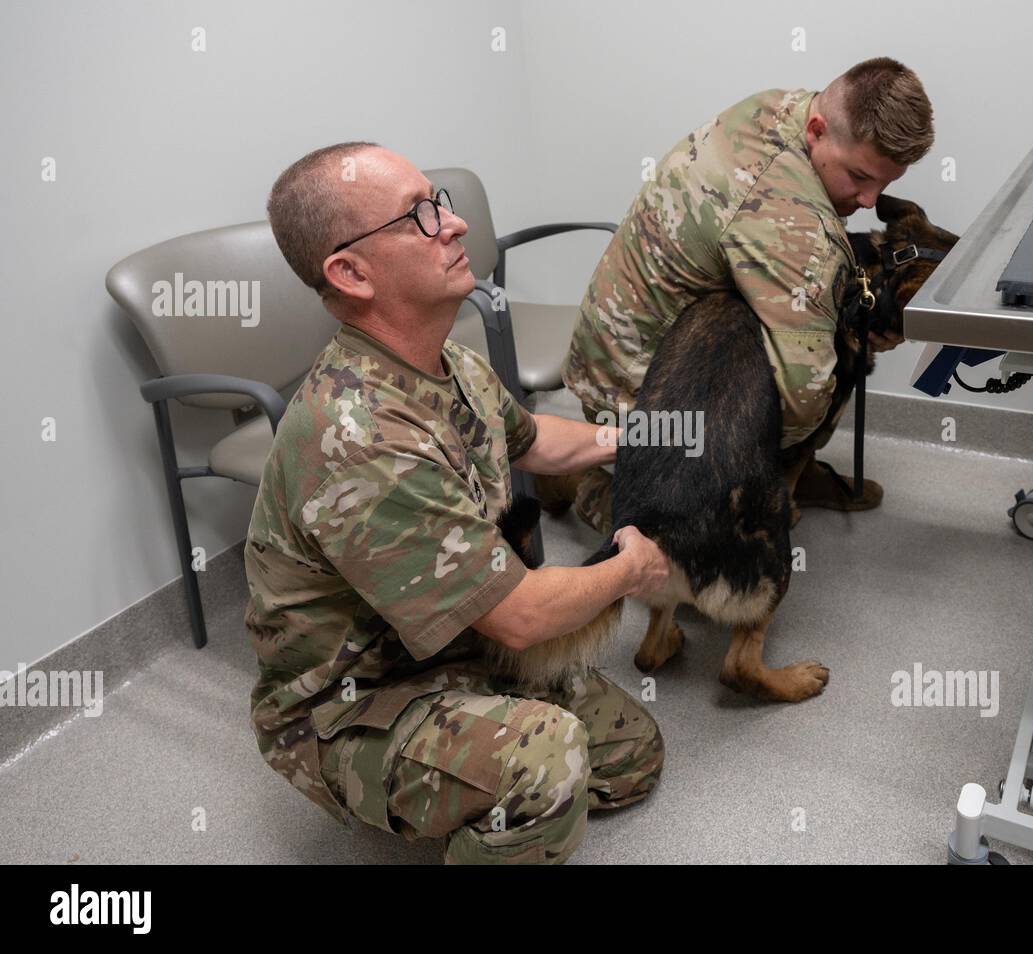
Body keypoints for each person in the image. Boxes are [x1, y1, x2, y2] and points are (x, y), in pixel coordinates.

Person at [244, 142, 669, 864]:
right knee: (548, 762)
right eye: (418, 215)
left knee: (631, 756)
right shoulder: (358, 434)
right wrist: (632, 569)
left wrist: (636, 437)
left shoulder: (450, 363)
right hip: (357, 698)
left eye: (438, 201)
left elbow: (536, 442)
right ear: (350, 272)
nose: (455, 225)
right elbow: (525, 615)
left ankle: (472, 778)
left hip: (455, 641)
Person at [550, 58, 934, 533]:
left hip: (633, 343)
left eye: (884, 184)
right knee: (697, 543)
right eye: (858, 177)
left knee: (826, 335)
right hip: (634, 395)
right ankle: (577, 481)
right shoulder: (790, 217)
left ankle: (794, 474)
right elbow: (801, 402)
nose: (870, 201)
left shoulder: (785, 108)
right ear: (818, 130)